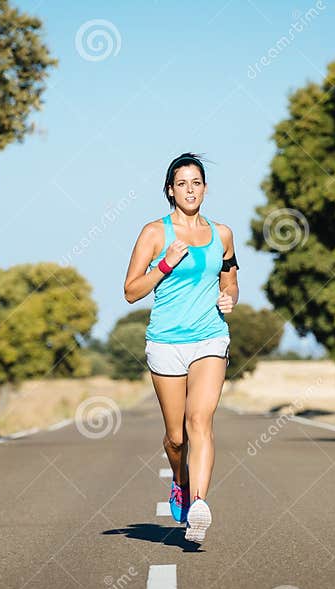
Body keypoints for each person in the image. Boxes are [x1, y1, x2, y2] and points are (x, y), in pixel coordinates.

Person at [123, 152, 239, 543]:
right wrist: (165, 265)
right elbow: (130, 291)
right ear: (170, 191)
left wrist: (230, 297)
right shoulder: (154, 233)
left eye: (196, 183)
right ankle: (180, 479)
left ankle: (199, 505)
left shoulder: (222, 233)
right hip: (166, 342)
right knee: (176, 438)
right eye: (182, 184)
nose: (189, 190)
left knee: (199, 420)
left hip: (210, 336)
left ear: (205, 188)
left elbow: (230, 278)